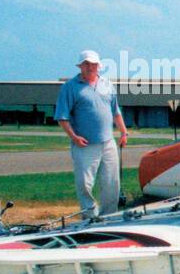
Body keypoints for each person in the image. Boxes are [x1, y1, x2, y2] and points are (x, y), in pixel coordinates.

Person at [54, 50, 128, 216]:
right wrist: (74, 137)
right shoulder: (70, 87)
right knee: (85, 184)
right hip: (85, 145)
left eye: (93, 64)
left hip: (108, 143)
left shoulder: (107, 84)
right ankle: (89, 217)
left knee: (111, 183)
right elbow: (62, 117)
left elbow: (116, 111)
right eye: (86, 64)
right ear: (80, 66)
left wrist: (123, 133)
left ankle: (108, 216)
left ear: (98, 66)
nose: (90, 67)